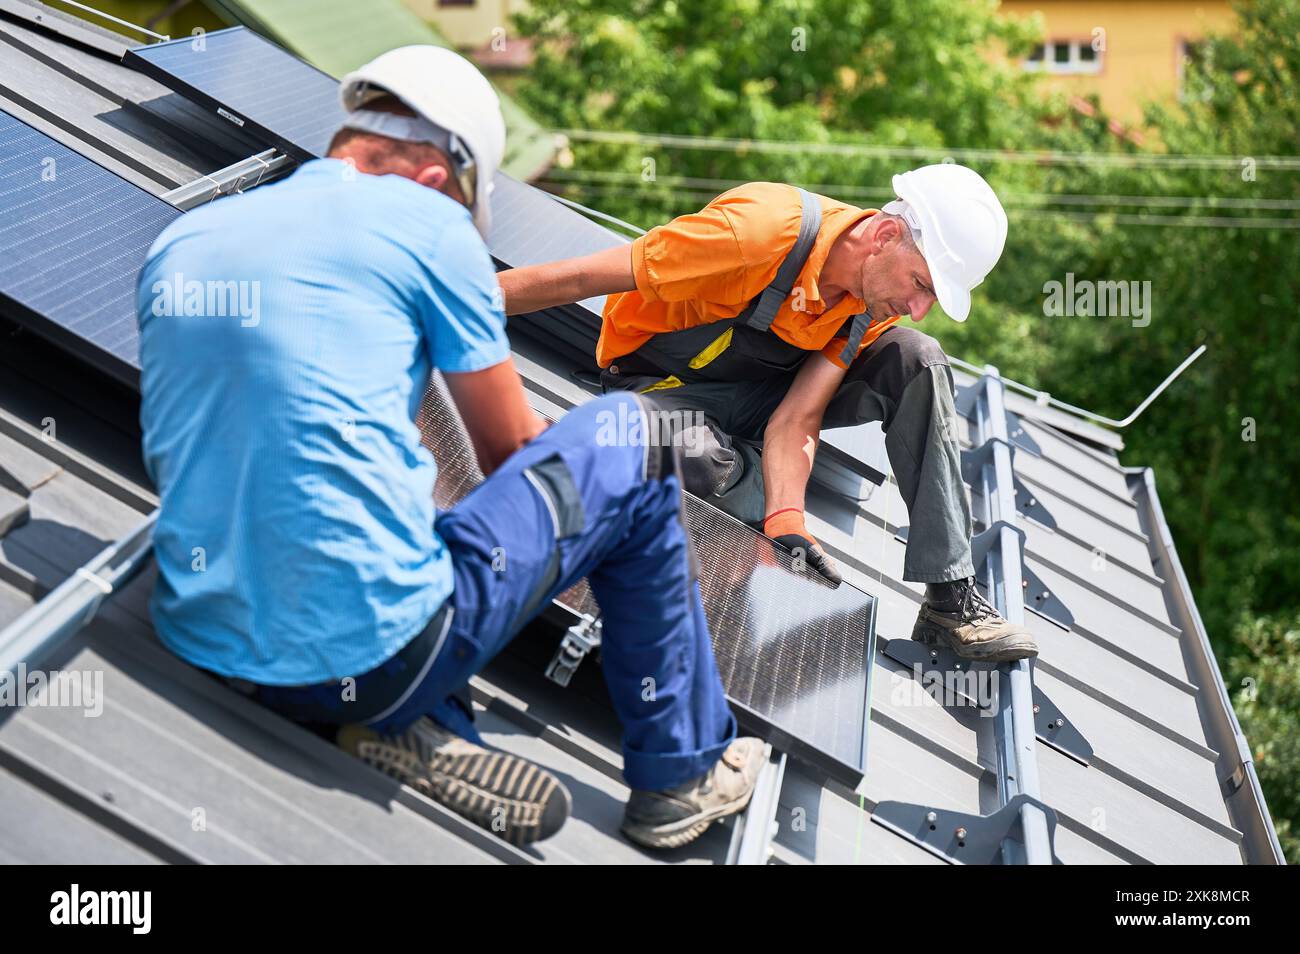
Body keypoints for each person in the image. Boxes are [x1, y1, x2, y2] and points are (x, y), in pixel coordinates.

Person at [135, 45, 765, 850]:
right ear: (441, 181)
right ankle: (685, 770)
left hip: (203, 626)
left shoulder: (193, 235)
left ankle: (416, 722)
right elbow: (509, 456)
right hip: (371, 652)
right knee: (630, 441)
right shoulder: (431, 229)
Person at [498, 168, 1038, 662]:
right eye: (921, 284)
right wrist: (449, 310)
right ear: (884, 236)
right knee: (697, 458)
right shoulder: (758, 231)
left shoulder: (866, 303)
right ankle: (729, 470)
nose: (918, 308)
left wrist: (786, 523)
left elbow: (798, 415)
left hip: (763, 404)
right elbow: (579, 279)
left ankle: (950, 597)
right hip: (664, 389)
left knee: (917, 356)